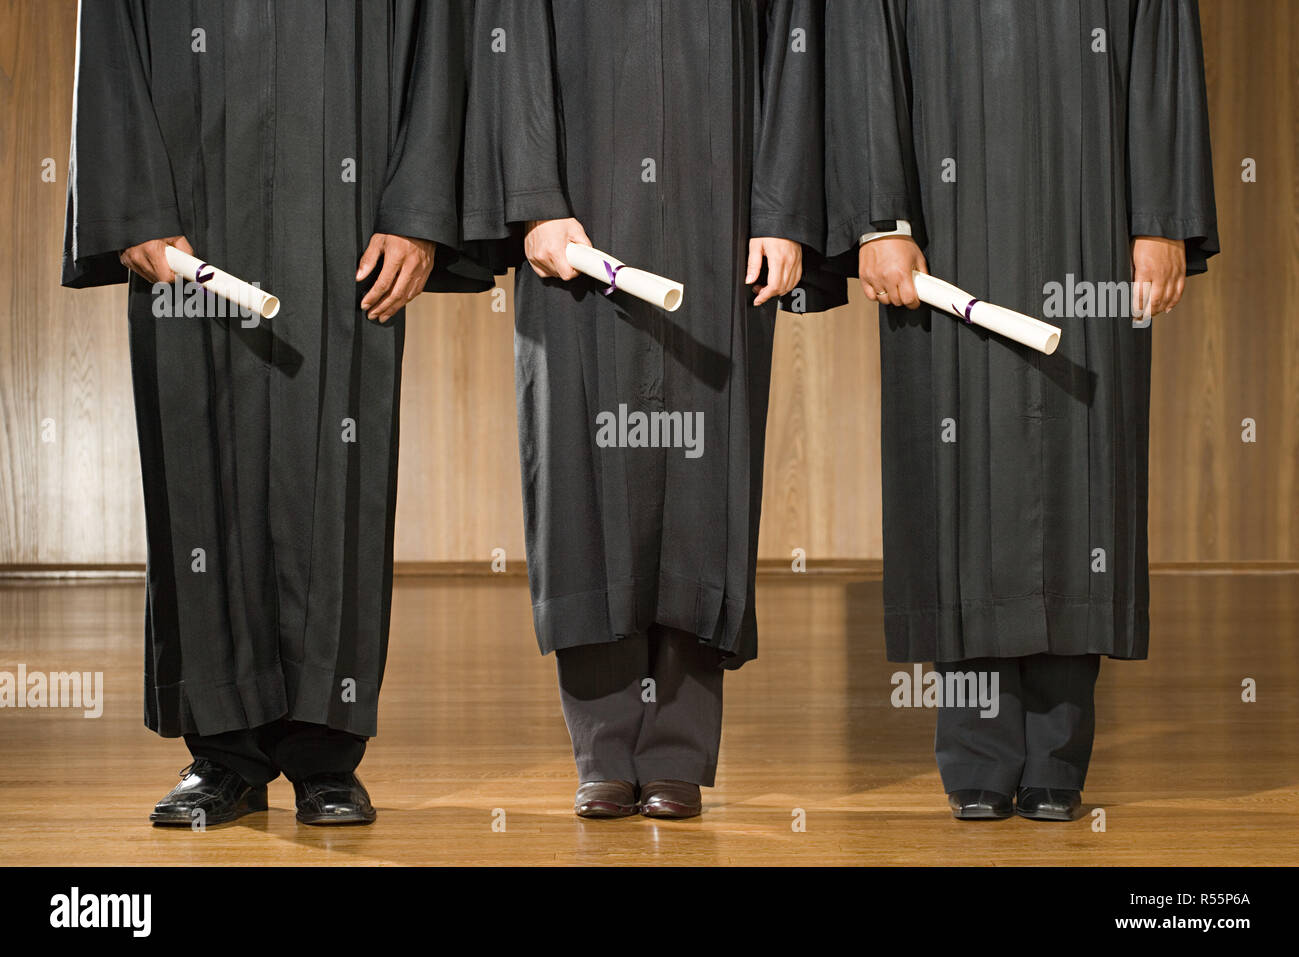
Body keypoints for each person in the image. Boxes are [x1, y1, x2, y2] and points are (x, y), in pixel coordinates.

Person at [62, 0, 490, 827]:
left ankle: (325, 749)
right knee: (198, 456)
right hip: (190, 212)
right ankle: (221, 750)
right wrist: (135, 204)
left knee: (335, 467)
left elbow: (440, 32)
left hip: (349, 212)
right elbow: (112, 30)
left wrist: (418, 210)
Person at [825, 0, 1218, 820]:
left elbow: (1160, 50)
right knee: (961, 483)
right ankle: (976, 749)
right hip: (944, 230)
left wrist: (1161, 218)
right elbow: (866, 50)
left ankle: (1058, 755)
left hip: (1093, 227)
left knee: (1083, 495)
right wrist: (880, 219)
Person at [462, 0, 836, 819]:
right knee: (583, 479)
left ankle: (679, 752)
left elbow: (789, 49)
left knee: (706, 485)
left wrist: (779, 212)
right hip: (578, 223)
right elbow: (513, 34)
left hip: (722, 217)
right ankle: (602, 748)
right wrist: (534, 198)